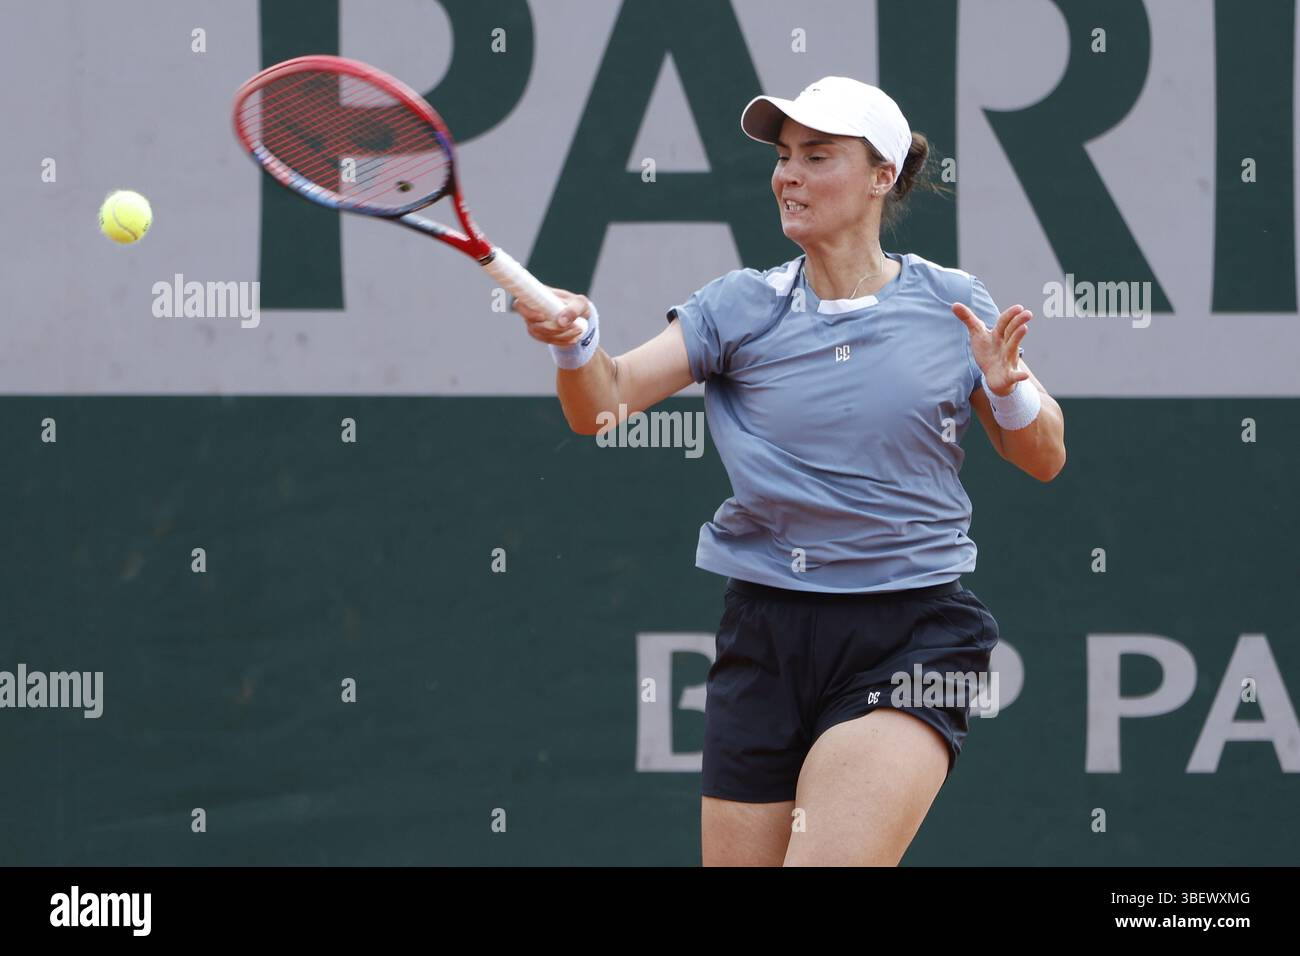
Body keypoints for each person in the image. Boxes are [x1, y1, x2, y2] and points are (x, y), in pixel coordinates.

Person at [513, 76, 1066, 866]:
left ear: (882, 177)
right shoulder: (738, 306)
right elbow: (602, 405)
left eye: (816, 155)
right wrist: (575, 346)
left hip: (912, 637)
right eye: (782, 157)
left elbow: (1044, 456)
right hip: (765, 638)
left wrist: (1008, 391)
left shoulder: (957, 305)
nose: (789, 175)